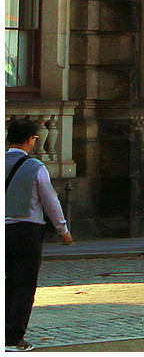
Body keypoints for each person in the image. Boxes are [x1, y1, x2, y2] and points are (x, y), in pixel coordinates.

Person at [6, 119, 72, 352]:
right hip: (26, 231)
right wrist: (63, 230)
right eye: (34, 138)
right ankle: (14, 338)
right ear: (30, 140)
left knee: (7, 283)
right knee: (25, 285)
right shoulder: (36, 167)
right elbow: (50, 201)